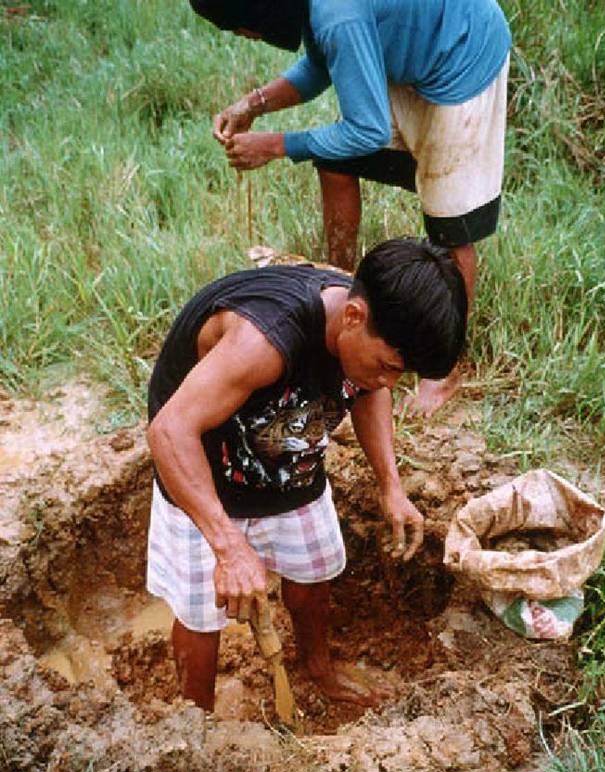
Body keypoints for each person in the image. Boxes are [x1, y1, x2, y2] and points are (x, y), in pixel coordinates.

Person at [146, 239, 467, 712]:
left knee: (313, 570)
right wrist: (229, 547)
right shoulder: (262, 340)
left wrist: (390, 486)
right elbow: (170, 431)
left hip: (288, 455)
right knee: (200, 610)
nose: (389, 383)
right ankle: (198, 720)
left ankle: (319, 669)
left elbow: (369, 389)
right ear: (353, 317)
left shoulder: (365, 342)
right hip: (201, 465)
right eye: (388, 367)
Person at [188, 0, 510, 415]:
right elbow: (322, 63)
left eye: (238, 30)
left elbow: (367, 130)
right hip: (413, 56)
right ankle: (335, 286)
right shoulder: (326, 14)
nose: (247, 37)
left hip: (461, 60)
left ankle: (441, 369)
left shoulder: (337, 14)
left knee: (451, 227)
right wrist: (254, 103)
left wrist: (276, 145)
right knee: (335, 160)